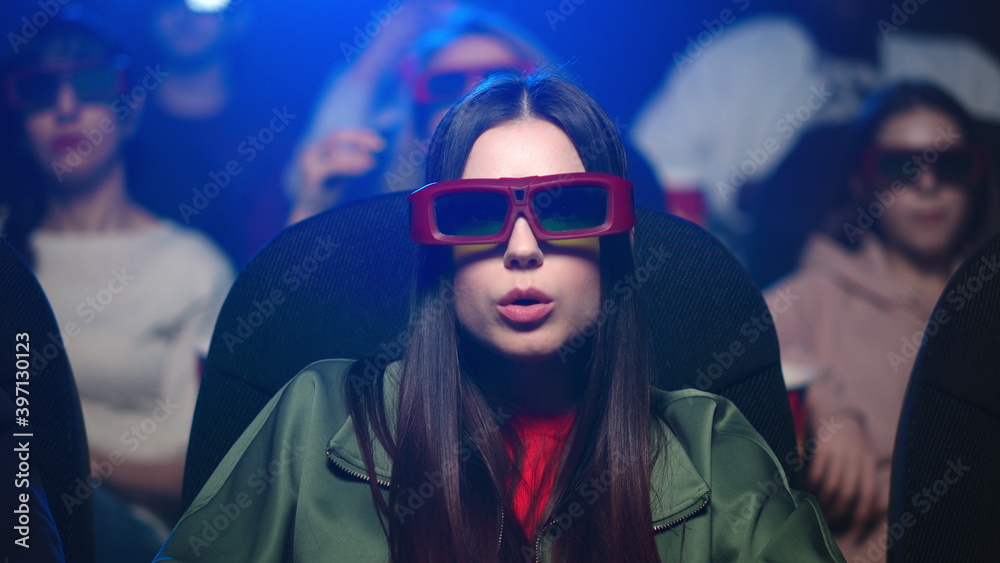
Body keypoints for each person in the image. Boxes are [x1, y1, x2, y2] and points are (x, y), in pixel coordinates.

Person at [155, 70, 842, 561]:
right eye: (476, 213)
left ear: (619, 243)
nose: (521, 248)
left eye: (565, 208)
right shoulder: (312, 419)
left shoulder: (714, 451)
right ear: (439, 252)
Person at [0, 11, 234, 562]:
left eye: (92, 83)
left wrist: (50, 460)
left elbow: (203, 471)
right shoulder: (6, 253)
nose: (65, 107)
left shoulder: (192, 266)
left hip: (136, 538)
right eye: (40, 90)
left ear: (130, 112)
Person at [764, 81, 998, 561]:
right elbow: (729, 358)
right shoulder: (814, 295)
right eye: (900, 166)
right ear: (862, 181)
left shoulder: (988, 299)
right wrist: (826, 404)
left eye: (950, 164)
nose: (928, 184)